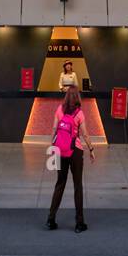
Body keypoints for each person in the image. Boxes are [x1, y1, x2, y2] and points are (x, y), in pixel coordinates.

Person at [47, 87, 94, 232]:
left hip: (60, 150)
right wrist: (91, 149)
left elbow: (54, 129)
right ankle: (79, 223)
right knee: (77, 185)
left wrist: (52, 148)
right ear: (78, 97)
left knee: (60, 183)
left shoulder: (59, 110)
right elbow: (85, 134)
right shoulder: (79, 113)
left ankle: (51, 219)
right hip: (75, 151)